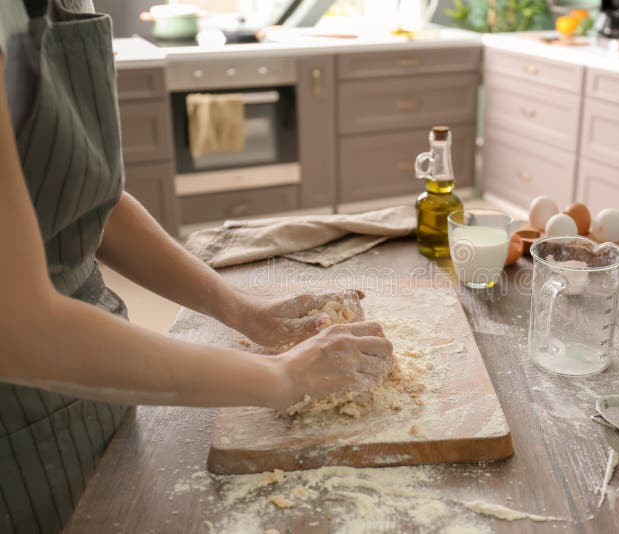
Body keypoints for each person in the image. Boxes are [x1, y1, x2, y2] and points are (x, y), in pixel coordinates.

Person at [0, 1, 394, 532]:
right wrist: (284, 375)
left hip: (105, 372)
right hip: (17, 429)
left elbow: (91, 202)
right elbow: (22, 329)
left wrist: (244, 311)